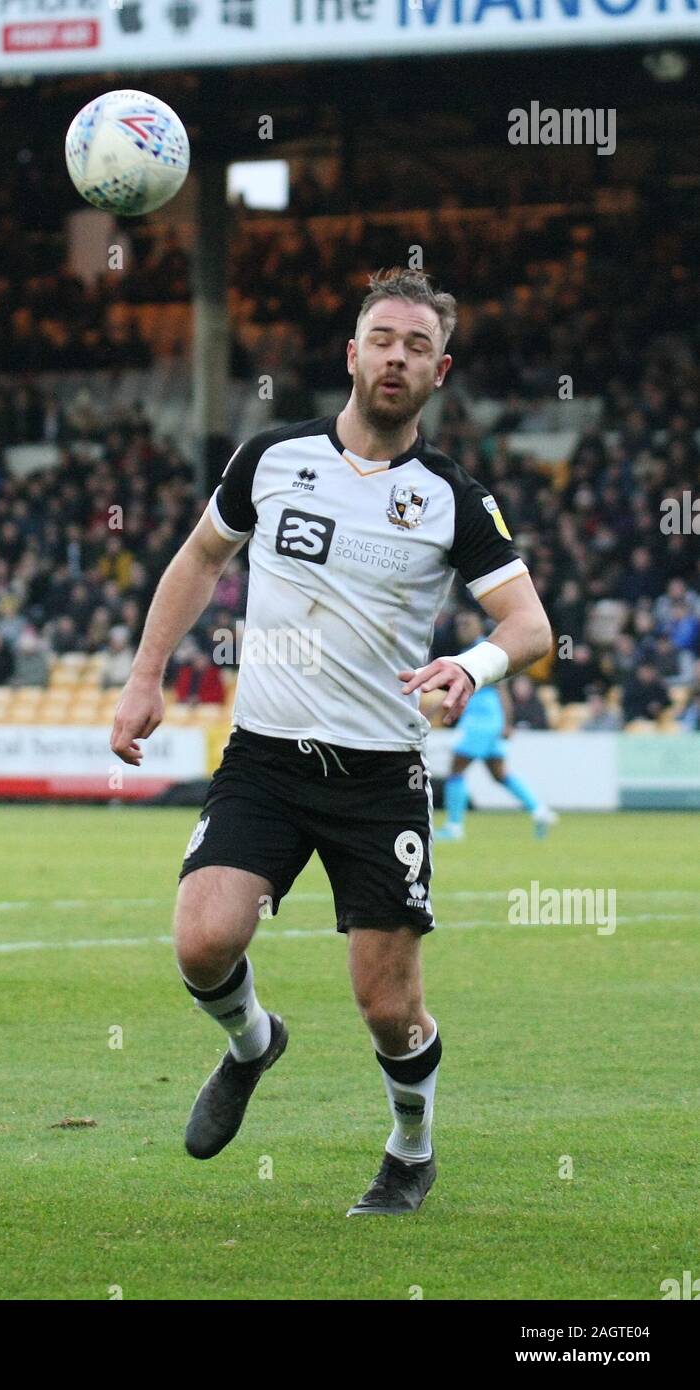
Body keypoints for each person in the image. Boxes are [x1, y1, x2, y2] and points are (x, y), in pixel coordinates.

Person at [110, 268, 551, 1216]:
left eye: (418, 346)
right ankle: (252, 1043)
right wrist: (145, 676)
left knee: (388, 1009)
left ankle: (410, 1150)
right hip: (265, 757)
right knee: (202, 943)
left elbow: (530, 626)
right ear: (352, 355)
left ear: (441, 372)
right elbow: (198, 557)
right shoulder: (270, 458)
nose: (397, 356)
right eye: (382, 338)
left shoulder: (451, 500)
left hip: (377, 778)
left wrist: (471, 666)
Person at [436, 611, 558, 842]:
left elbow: (502, 688)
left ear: (479, 626)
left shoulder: (482, 650)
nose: (462, 627)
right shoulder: (470, 650)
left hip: (482, 719)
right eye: (460, 623)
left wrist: (507, 721)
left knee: (456, 769)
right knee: (499, 773)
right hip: (488, 719)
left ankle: (454, 826)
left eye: (467, 622)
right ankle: (540, 810)